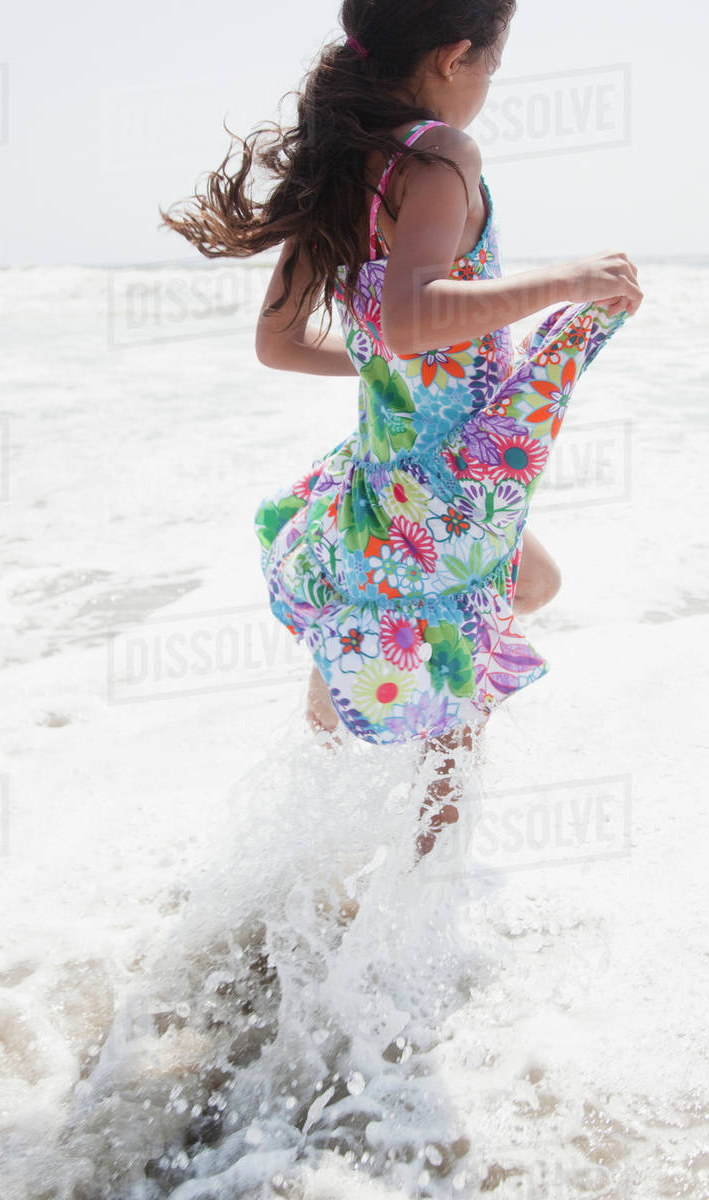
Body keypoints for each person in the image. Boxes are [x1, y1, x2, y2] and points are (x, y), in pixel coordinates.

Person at [161, 0, 643, 864]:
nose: (490, 83)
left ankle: (318, 814)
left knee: (529, 583)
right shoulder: (441, 154)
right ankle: (418, 923)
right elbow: (412, 313)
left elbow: (282, 343)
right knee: (462, 699)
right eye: (494, 64)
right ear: (456, 56)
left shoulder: (343, 163)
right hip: (445, 490)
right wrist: (561, 279)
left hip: (389, 474)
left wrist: (396, 367)